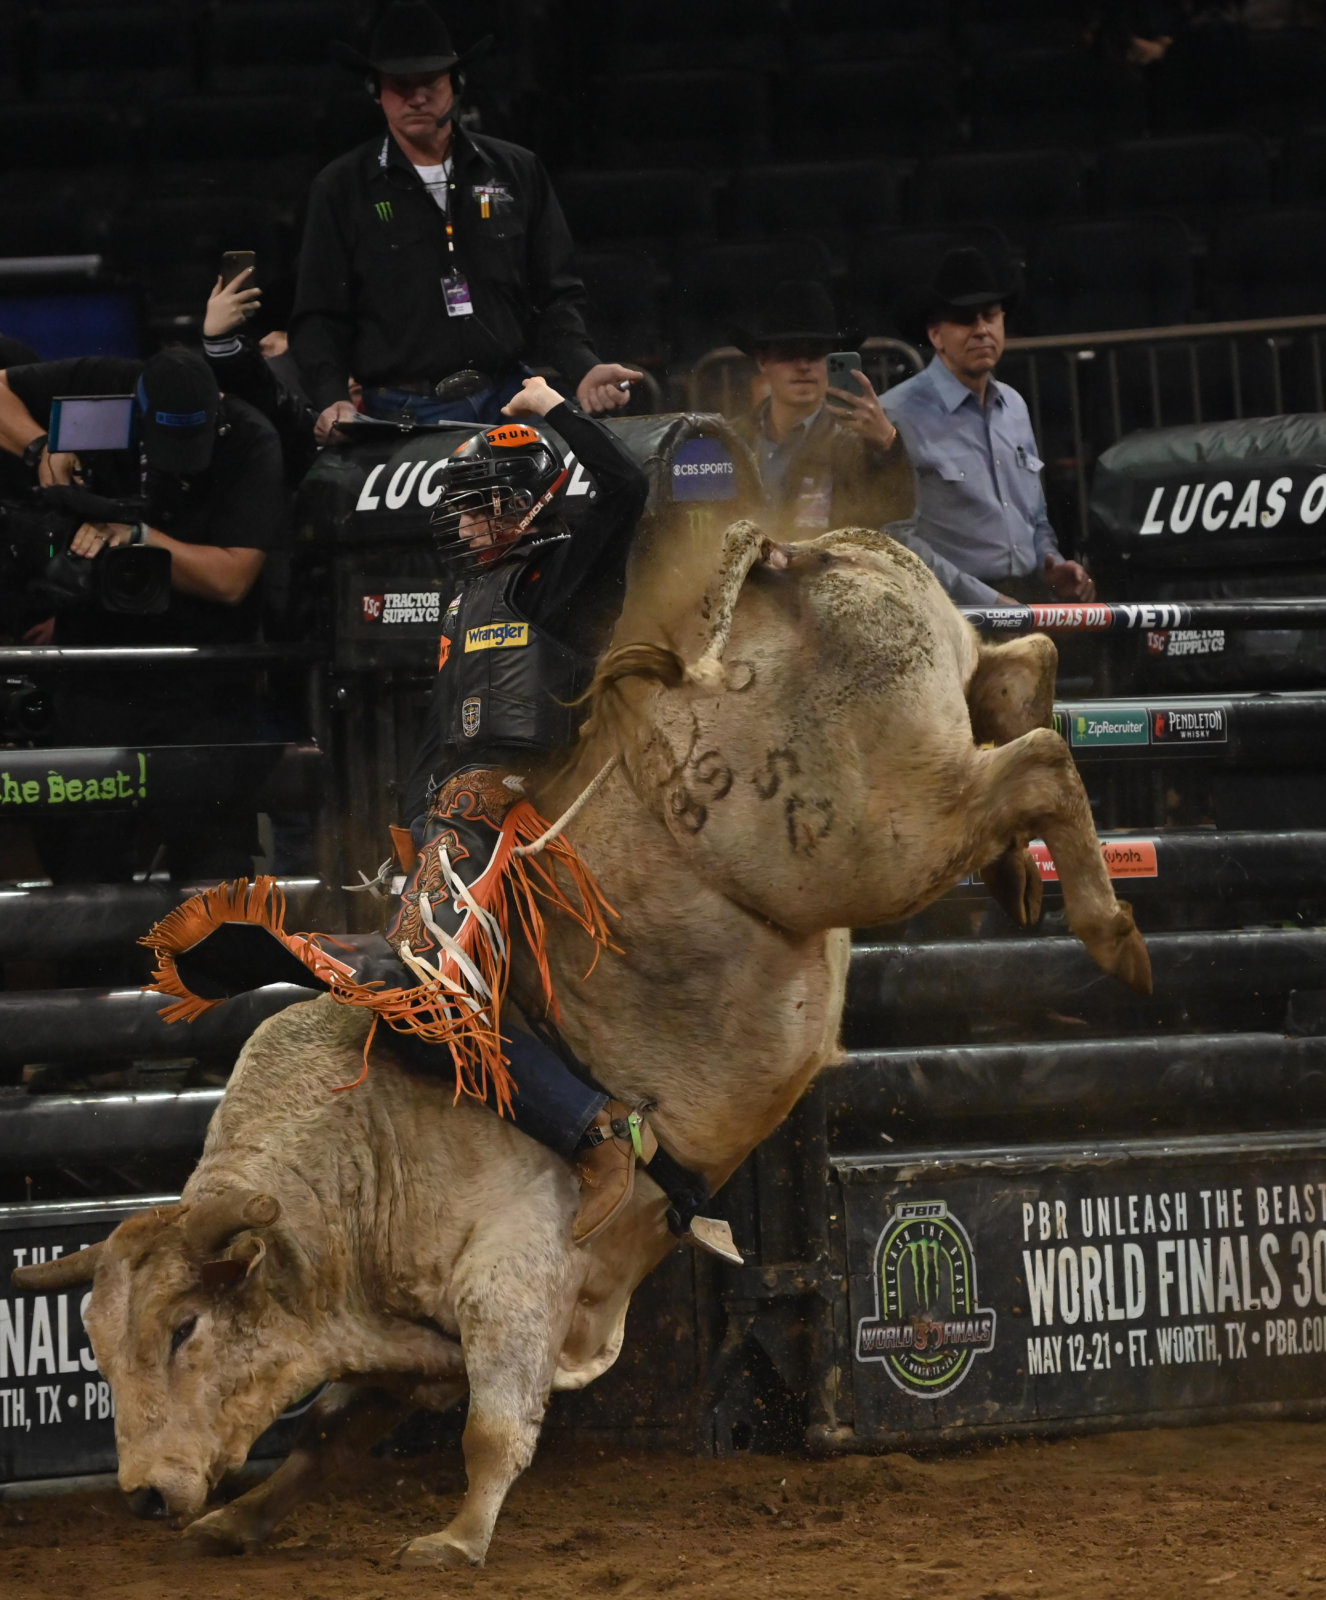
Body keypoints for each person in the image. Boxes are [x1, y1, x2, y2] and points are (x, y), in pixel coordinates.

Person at [145, 374, 699, 1250]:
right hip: (453, 820)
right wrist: (410, 842)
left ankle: (596, 1136)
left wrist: (553, 407)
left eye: (484, 508)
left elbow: (624, 486)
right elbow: (444, 735)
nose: (466, 522)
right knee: (417, 1011)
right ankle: (582, 1127)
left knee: (416, 982)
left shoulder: (563, 574)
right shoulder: (467, 595)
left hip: (527, 807)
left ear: (527, 505)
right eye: (465, 508)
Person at [292, 0, 641, 441]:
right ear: (374, 88)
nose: (417, 96)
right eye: (401, 84)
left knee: (605, 470)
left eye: (430, 81)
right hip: (405, 411)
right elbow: (318, 316)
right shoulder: (341, 188)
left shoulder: (518, 170)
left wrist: (584, 367)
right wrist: (329, 396)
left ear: (456, 83)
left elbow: (554, 296)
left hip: (514, 394)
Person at [0, 347, 286, 879]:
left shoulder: (249, 438)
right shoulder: (102, 384)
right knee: (84, 859)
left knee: (215, 864)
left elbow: (231, 579)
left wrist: (134, 539)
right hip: (96, 668)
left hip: (202, 678)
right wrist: (40, 448)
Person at [883, 248, 1096, 607]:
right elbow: (897, 538)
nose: (981, 329)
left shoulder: (1014, 405)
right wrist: (987, 601)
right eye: (966, 319)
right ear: (936, 335)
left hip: (1024, 600)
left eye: (990, 316)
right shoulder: (896, 413)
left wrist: (1052, 565)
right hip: (949, 610)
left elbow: (1035, 516)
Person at [730, 280, 913, 537]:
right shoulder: (732, 438)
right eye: (789, 353)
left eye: (815, 353)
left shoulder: (857, 439)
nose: (803, 365)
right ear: (763, 361)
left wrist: (886, 445)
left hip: (826, 571)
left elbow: (895, 512)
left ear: (831, 361)